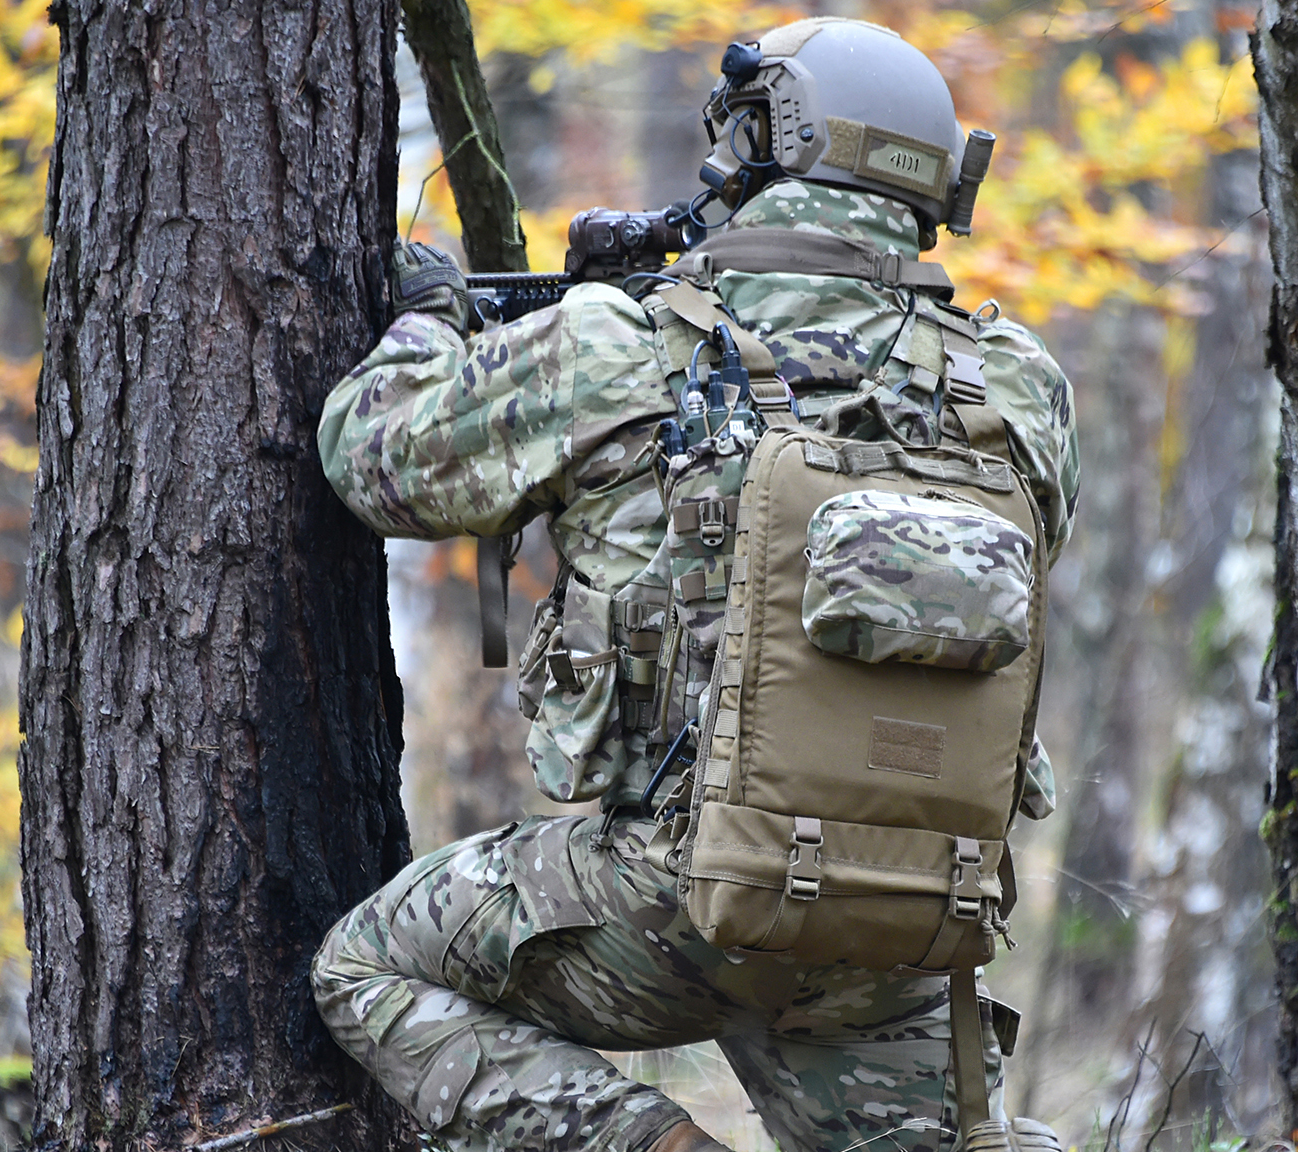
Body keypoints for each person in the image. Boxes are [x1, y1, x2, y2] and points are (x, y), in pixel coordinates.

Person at [311, 17, 1081, 1152]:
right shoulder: (1016, 388)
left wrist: (430, 319)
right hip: (903, 922)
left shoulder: (616, 345)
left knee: (364, 966)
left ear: (759, 141)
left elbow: (373, 457)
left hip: (669, 908)